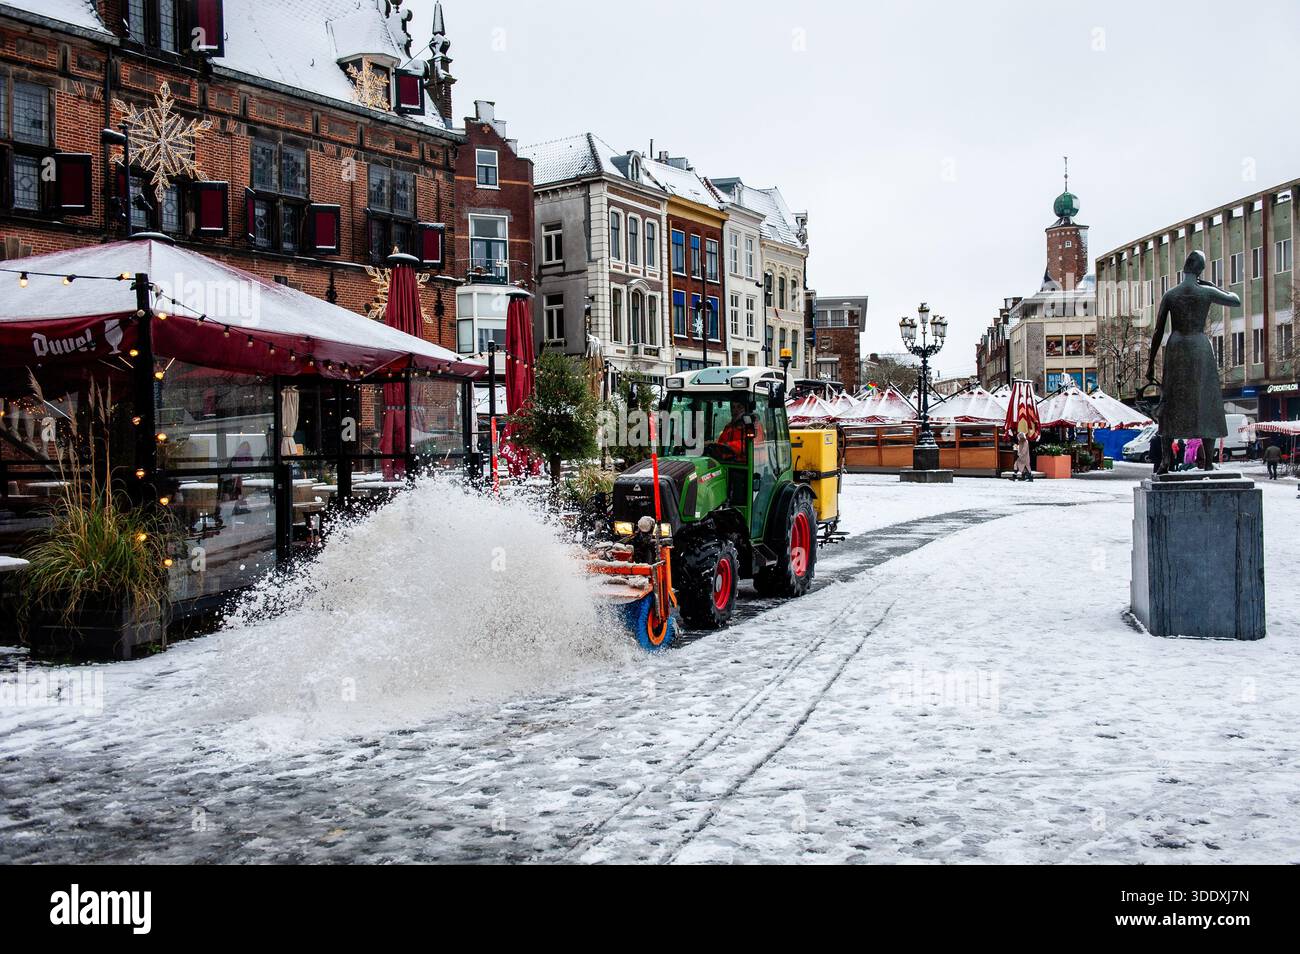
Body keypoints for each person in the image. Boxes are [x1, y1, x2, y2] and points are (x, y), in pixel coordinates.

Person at [1146, 250, 1240, 473]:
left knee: (1170, 401)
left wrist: (1150, 363)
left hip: (1177, 345)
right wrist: (1211, 285)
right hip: (1199, 347)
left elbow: (1158, 331)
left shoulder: (1171, 294)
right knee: (1205, 401)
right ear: (1199, 270)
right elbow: (1235, 300)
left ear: (1185, 268)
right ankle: (1207, 462)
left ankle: (1166, 462)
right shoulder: (1205, 292)